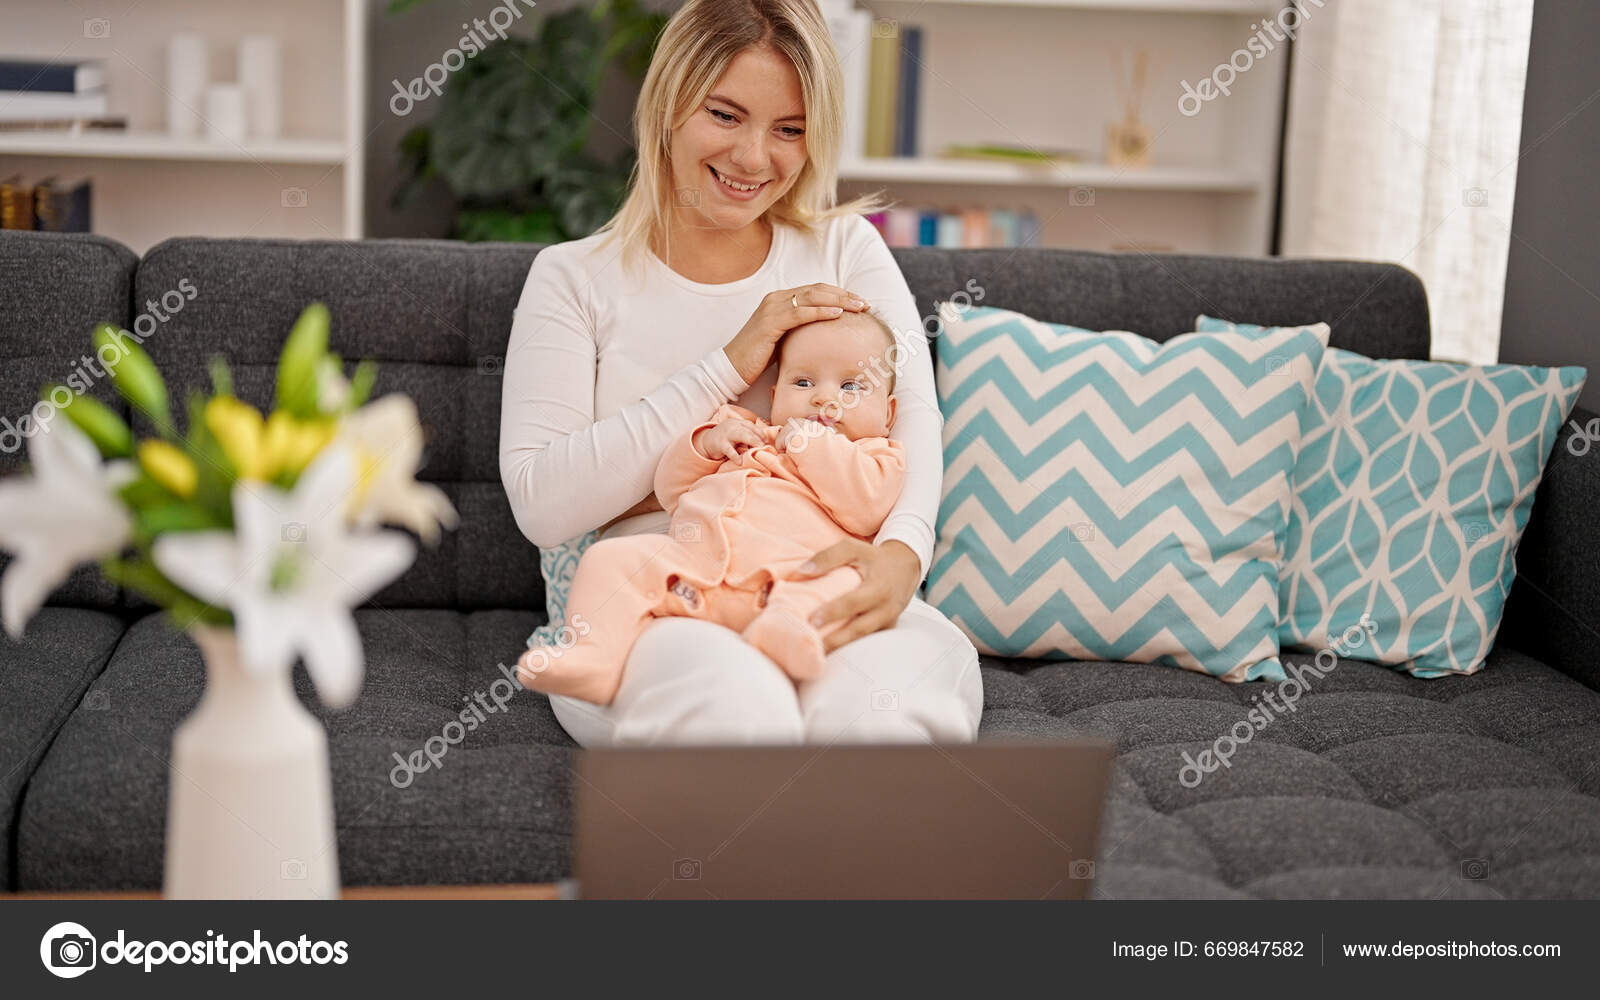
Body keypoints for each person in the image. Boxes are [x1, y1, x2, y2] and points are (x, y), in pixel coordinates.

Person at [498, 0, 982, 746]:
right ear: (666, 106)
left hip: (826, 576)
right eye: (725, 115)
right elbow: (542, 505)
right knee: (735, 716)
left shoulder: (844, 249)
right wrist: (729, 364)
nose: (755, 158)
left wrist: (900, 557)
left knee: (882, 713)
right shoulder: (572, 279)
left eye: (788, 129)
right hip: (669, 599)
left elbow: (911, 413)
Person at [516, 310, 905, 705]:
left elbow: (867, 508)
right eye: (803, 382)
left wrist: (812, 445)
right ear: (775, 398)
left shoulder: (876, 456)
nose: (824, 398)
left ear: (887, 415)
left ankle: (783, 633)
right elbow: (672, 491)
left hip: (791, 580)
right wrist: (704, 446)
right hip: (694, 575)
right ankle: (595, 658)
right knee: (608, 561)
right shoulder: (747, 432)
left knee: (847, 579)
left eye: (851, 387)